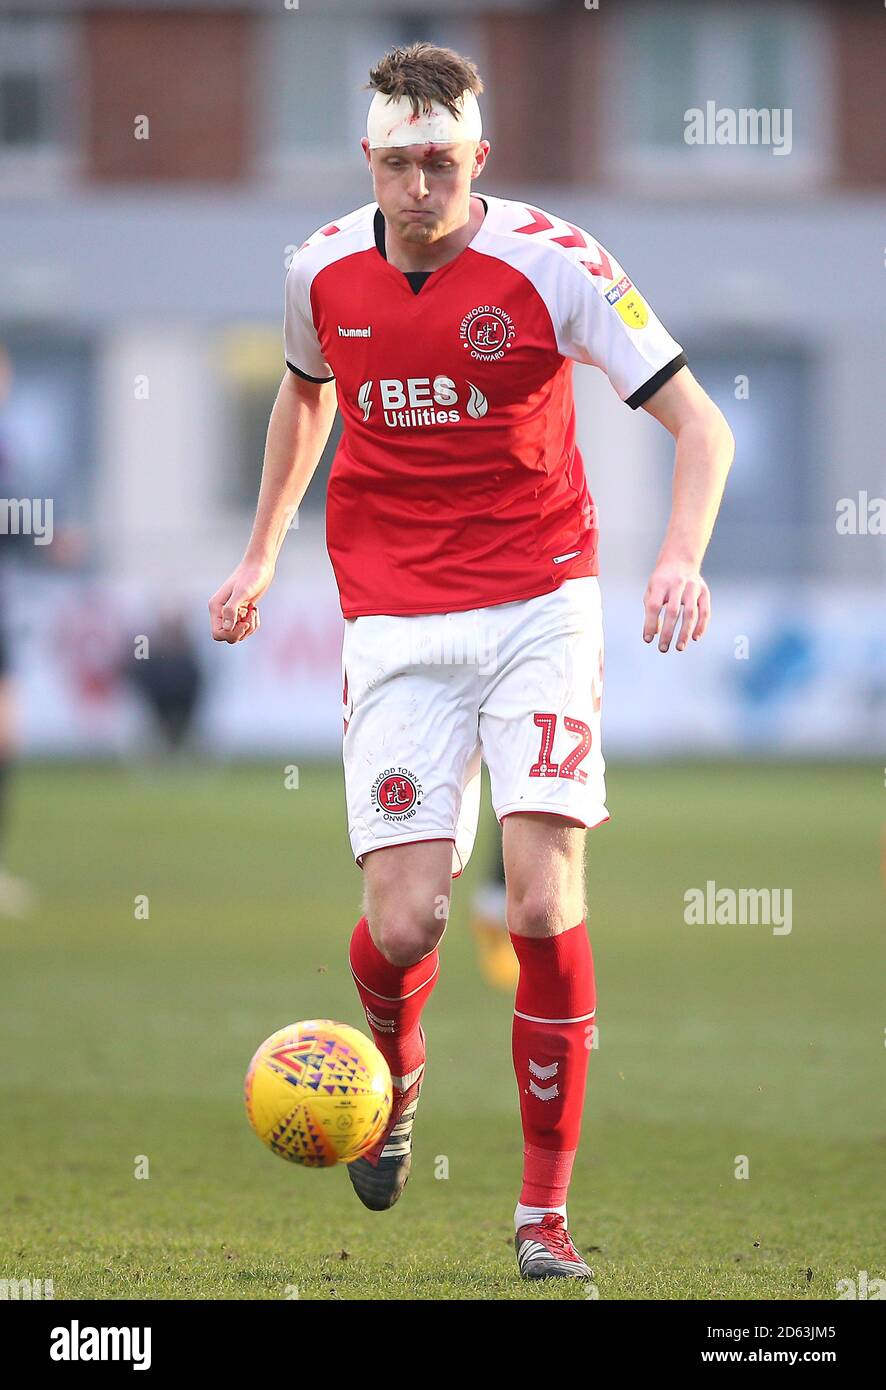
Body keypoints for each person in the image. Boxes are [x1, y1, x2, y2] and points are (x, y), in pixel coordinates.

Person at [209, 42, 734, 1281]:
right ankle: (394, 1085)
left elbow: (697, 420)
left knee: (544, 898)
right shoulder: (318, 269)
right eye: (397, 163)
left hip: (540, 603)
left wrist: (678, 557)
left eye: (441, 162)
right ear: (368, 160)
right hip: (392, 619)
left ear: (477, 157)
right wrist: (258, 554)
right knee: (405, 923)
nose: (418, 187)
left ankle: (540, 1213)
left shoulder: (558, 264)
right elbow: (305, 396)